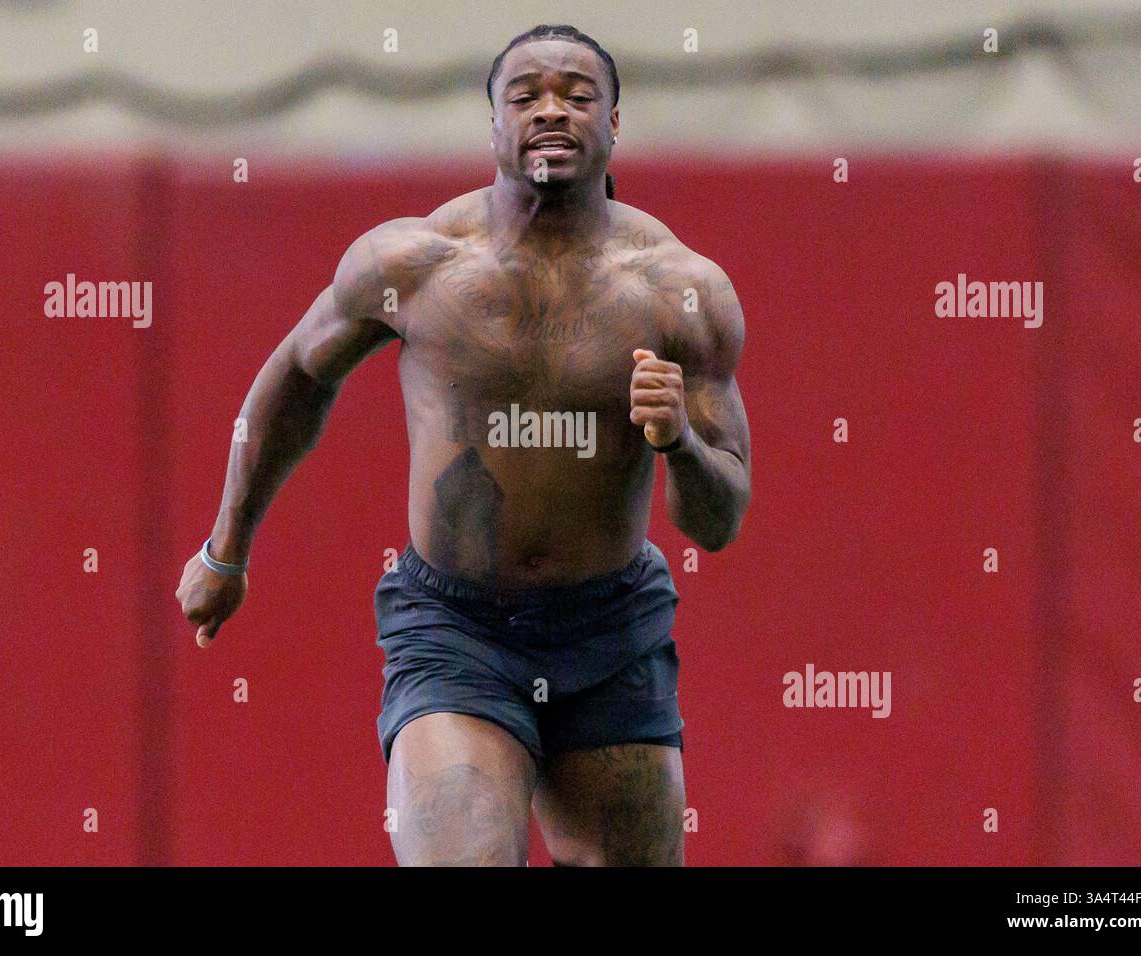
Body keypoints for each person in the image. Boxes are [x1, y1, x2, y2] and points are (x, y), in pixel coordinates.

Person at [175, 23, 751, 866]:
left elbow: (719, 520)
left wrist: (679, 447)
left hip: (612, 627)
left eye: (577, 94)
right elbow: (297, 377)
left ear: (615, 123)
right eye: (525, 95)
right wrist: (227, 550)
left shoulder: (681, 293)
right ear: (492, 125)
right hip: (455, 627)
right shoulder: (413, 263)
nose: (550, 110)